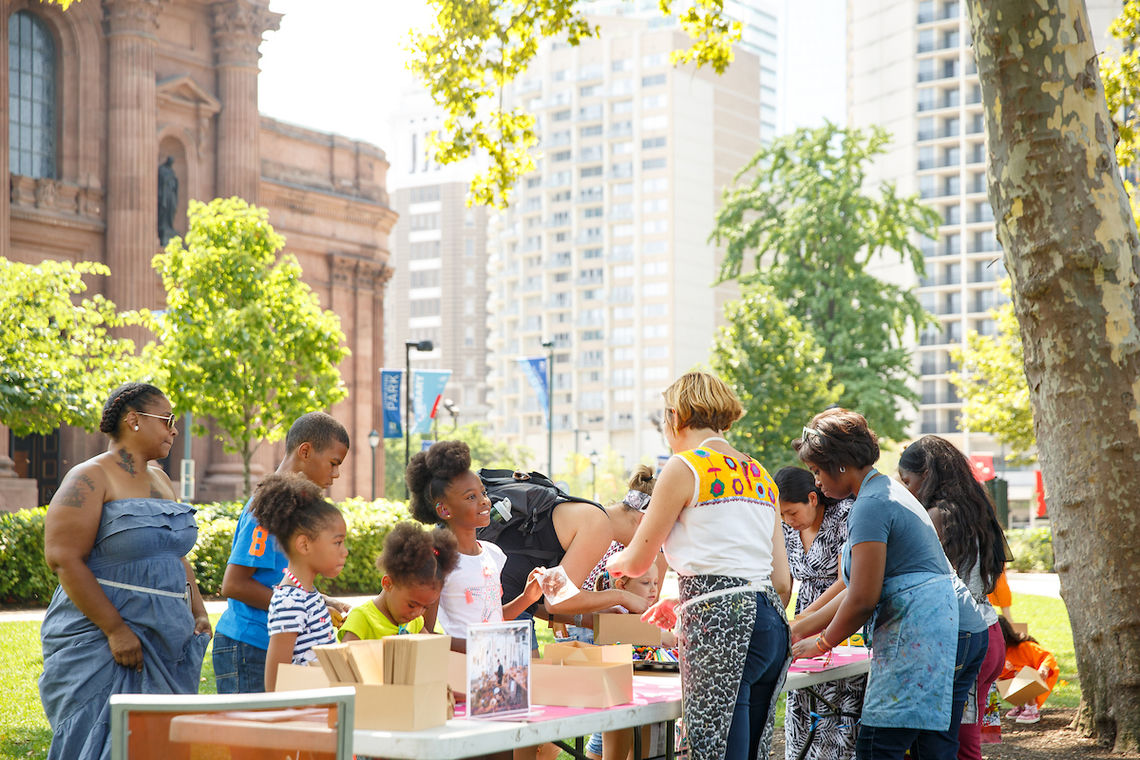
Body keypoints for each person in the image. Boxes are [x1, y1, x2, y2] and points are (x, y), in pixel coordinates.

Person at [607, 371, 792, 760]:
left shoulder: (684, 467)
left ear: (675, 416)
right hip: (771, 621)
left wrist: (612, 563)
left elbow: (637, 561)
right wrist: (688, 601)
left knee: (713, 750)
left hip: (721, 626)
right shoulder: (760, 475)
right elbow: (781, 580)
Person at [788, 409, 990, 760]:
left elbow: (863, 599)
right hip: (961, 629)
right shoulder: (886, 490)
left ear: (840, 465)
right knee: (933, 750)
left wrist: (822, 643)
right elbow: (856, 587)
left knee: (877, 747)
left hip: (932, 634)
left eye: (817, 471)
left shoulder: (871, 505)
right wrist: (799, 628)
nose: (816, 482)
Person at [39, 383, 211, 760]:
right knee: (103, 745)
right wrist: (115, 630)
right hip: (101, 641)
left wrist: (198, 610)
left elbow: (174, 553)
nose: (174, 430)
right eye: (167, 420)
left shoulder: (161, 479)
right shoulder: (89, 477)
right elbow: (64, 558)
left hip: (166, 640)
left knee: (158, 746)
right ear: (133, 420)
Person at [213, 411, 350, 693]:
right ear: (305, 451)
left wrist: (321, 601)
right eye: (333, 463)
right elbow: (234, 584)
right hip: (249, 645)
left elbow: (281, 580)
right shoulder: (267, 510)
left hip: (272, 643)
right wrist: (302, 609)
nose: (336, 474)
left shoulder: (296, 508)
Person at [898, 435, 1009, 758]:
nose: (906, 490)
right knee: (965, 740)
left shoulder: (937, 516)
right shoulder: (976, 509)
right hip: (989, 632)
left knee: (956, 744)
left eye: (908, 481)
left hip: (960, 635)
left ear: (927, 475)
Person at [406, 440, 543, 651]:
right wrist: (475, 647)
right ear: (444, 510)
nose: (485, 501)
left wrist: (527, 597)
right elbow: (424, 632)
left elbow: (494, 618)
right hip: (461, 666)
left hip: (494, 662)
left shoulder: (494, 554)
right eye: (471, 497)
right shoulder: (437, 562)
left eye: (484, 493)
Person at [774, 466, 864, 760]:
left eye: (792, 512)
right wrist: (778, 618)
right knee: (803, 692)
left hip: (840, 611)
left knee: (839, 695)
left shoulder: (845, 516)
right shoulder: (788, 529)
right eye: (782, 515)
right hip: (805, 614)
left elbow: (845, 580)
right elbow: (785, 583)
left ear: (812, 498)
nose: (788, 520)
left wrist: (805, 619)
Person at [254, 473, 348, 690]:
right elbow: (275, 685)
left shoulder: (307, 595)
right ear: (304, 545)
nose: (345, 552)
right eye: (338, 542)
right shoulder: (290, 602)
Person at [558, 465, 664, 644]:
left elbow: (550, 597)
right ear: (644, 521)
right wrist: (620, 596)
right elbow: (557, 598)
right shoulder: (598, 527)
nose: (653, 545)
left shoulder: (596, 519)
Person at [340, 522, 459, 640]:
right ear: (388, 583)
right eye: (411, 605)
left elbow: (429, 649)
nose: (418, 613)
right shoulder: (361, 619)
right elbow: (346, 652)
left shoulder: (415, 623)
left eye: (425, 607)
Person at [997, 616, 1058, 724]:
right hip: (1018, 683)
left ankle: (1031, 708)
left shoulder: (1024, 646)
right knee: (996, 680)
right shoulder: (998, 652)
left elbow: (1047, 656)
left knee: (1020, 673)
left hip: (1038, 681)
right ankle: (1021, 705)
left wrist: (1044, 668)